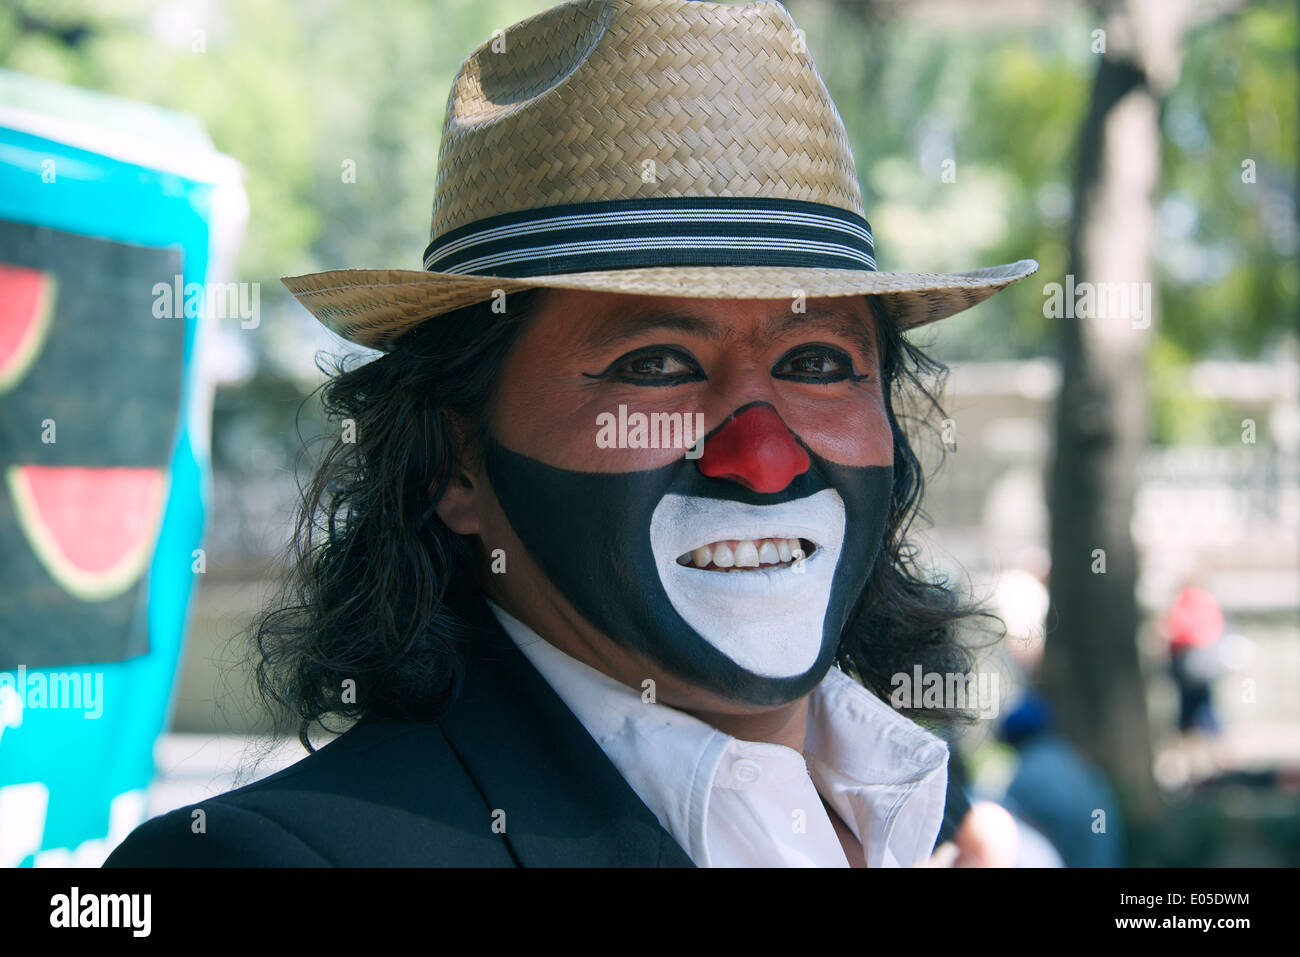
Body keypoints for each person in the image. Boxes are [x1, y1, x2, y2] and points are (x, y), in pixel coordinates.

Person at [105, 0, 1037, 868]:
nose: (762, 458)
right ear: (456, 461)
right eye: (656, 363)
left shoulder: (934, 823)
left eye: (818, 362)